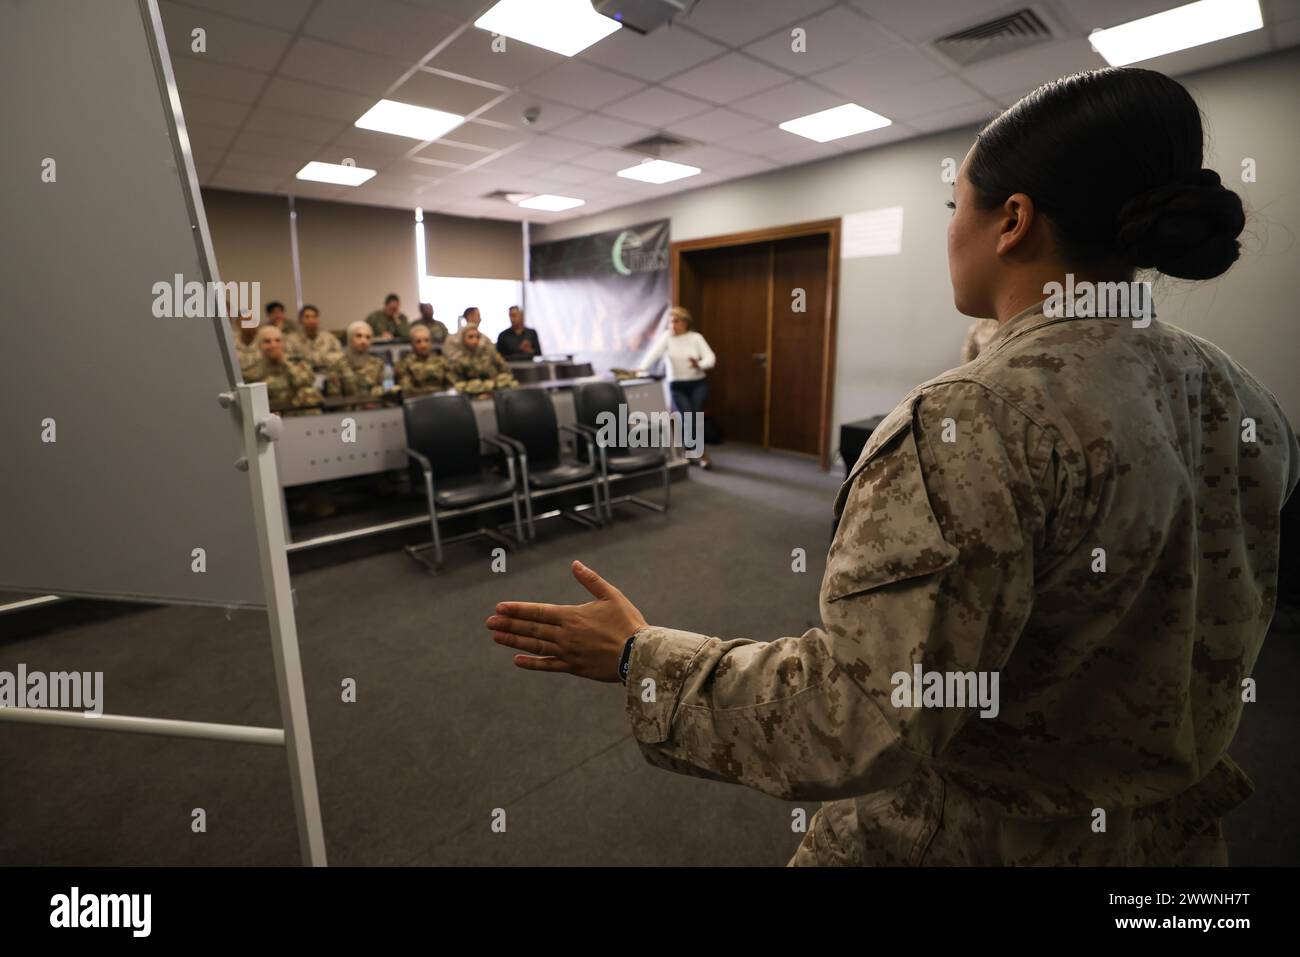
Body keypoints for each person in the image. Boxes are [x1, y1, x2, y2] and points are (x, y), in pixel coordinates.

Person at [486, 67, 1300, 867]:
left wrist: (641, 656)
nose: (953, 228)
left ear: (1012, 220)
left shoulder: (973, 421)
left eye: (956, 206)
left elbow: (857, 718)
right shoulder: (1244, 399)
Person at [639, 306, 715, 469]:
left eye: (676, 322)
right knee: (689, 418)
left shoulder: (696, 338)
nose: (672, 325)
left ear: (685, 323)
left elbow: (711, 358)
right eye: (670, 322)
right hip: (676, 386)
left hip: (697, 384)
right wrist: (640, 369)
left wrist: (700, 364)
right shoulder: (666, 338)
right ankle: (701, 453)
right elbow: (652, 355)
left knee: (692, 419)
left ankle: (690, 450)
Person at [242, 326, 323, 414]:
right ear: (259, 346)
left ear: (283, 344)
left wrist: (283, 362)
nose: (273, 345)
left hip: (294, 411)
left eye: (277, 341)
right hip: (268, 414)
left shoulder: (296, 362)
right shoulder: (252, 368)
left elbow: (306, 382)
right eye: (267, 341)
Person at [447, 325, 517, 396]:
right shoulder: (457, 357)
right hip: (471, 391)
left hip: (494, 387)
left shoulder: (489, 353)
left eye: (477, 337)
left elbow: (506, 370)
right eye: (470, 337)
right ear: (463, 339)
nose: (475, 340)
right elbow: (454, 380)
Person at [398, 324, 448, 397]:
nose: (423, 345)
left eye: (426, 340)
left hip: (443, 400)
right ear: (412, 344)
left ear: (431, 342)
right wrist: (435, 392)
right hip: (417, 402)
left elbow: (451, 386)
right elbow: (406, 390)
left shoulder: (442, 361)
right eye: (418, 341)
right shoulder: (404, 364)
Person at [286, 304, 343, 368]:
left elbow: (340, 356)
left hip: (327, 372)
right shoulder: (292, 339)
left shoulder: (328, 337)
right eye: (307, 317)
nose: (311, 320)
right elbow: (288, 359)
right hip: (302, 373)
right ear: (300, 320)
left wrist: (322, 358)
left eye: (314, 317)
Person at [342, 320, 385, 398]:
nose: (364, 341)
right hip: (347, 408)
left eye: (368, 337)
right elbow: (334, 399)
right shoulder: (338, 365)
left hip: (376, 407)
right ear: (350, 338)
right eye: (359, 336)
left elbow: (386, 390)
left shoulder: (378, 363)